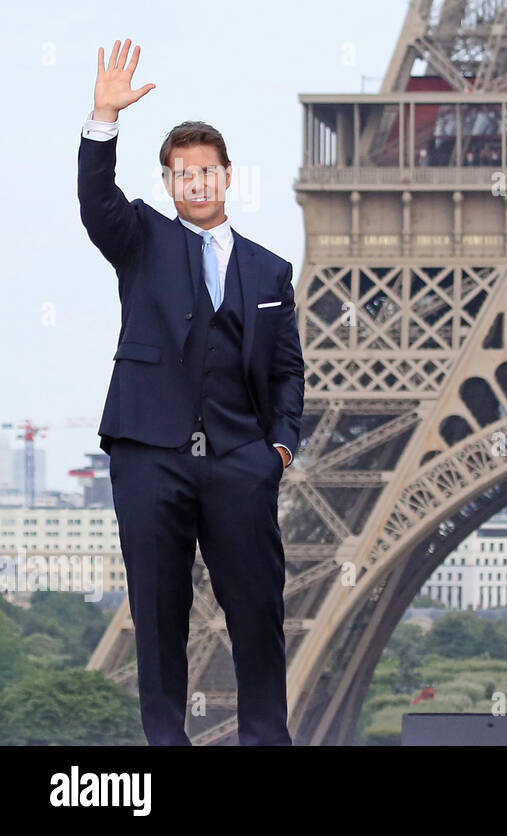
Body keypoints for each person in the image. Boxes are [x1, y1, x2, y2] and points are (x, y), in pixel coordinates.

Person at [78, 39, 304, 745]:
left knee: (257, 613)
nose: (196, 183)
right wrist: (103, 120)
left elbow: (287, 371)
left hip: (241, 458)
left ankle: (266, 741)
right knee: (158, 613)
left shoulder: (270, 272)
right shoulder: (142, 238)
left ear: (228, 177)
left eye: (207, 171)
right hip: (151, 453)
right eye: (183, 174)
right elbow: (96, 204)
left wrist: (280, 448)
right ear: (170, 183)